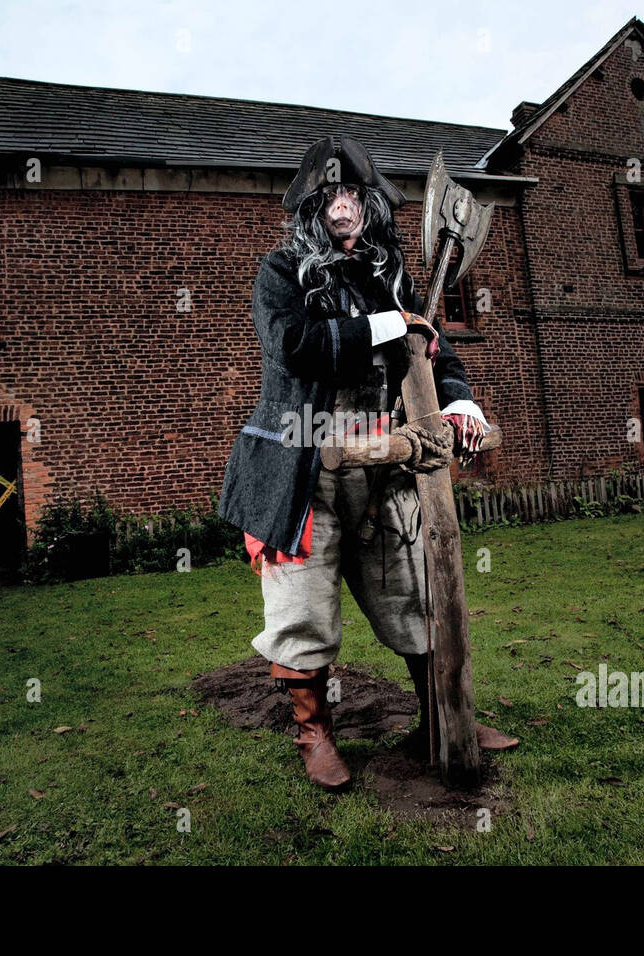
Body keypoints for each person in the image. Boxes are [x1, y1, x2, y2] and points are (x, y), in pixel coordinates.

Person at [217, 135, 517, 792]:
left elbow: (435, 355)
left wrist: (460, 404)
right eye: (328, 195)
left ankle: (444, 717)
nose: (342, 206)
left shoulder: (391, 278)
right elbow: (295, 346)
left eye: (352, 193)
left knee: (415, 591)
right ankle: (315, 734)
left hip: (383, 462)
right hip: (301, 465)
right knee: (303, 609)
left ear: (369, 202)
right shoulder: (281, 272)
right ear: (311, 208)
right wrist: (387, 328)